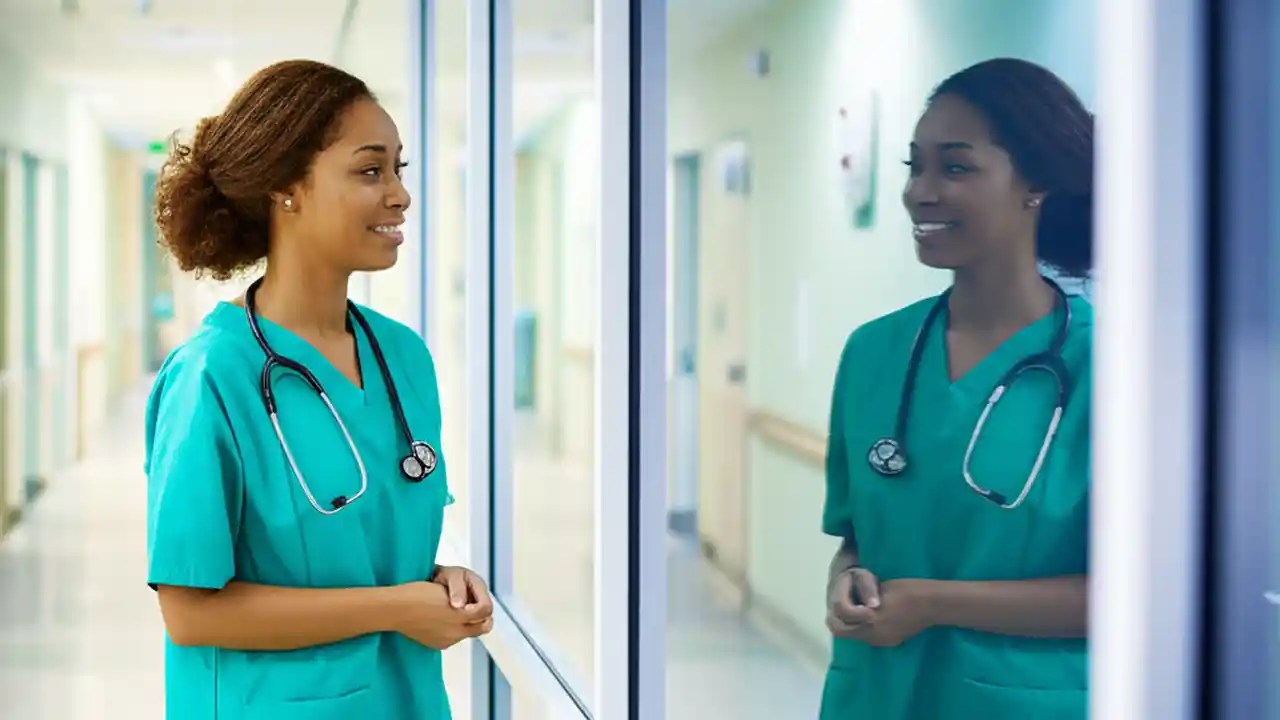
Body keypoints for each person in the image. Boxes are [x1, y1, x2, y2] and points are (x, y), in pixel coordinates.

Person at [144, 59, 491, 720]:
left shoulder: (402, 356)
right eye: (370, 171)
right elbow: (189, 613)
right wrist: (396, 607)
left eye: (398, 169)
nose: (400, 195)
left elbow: (366, 541)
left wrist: (436, 584)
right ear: (286, 188)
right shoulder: (211, 376)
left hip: (405, 701)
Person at [820, 58, 1093, 720]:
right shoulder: (872, 353)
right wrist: (845, 582)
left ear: (1036, 183)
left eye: (956, 167)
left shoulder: (1109, 368)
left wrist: (933, 604)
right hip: (874, 696)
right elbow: (856, 539)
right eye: (914, 166)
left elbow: (1133, 595)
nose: (920, 191)